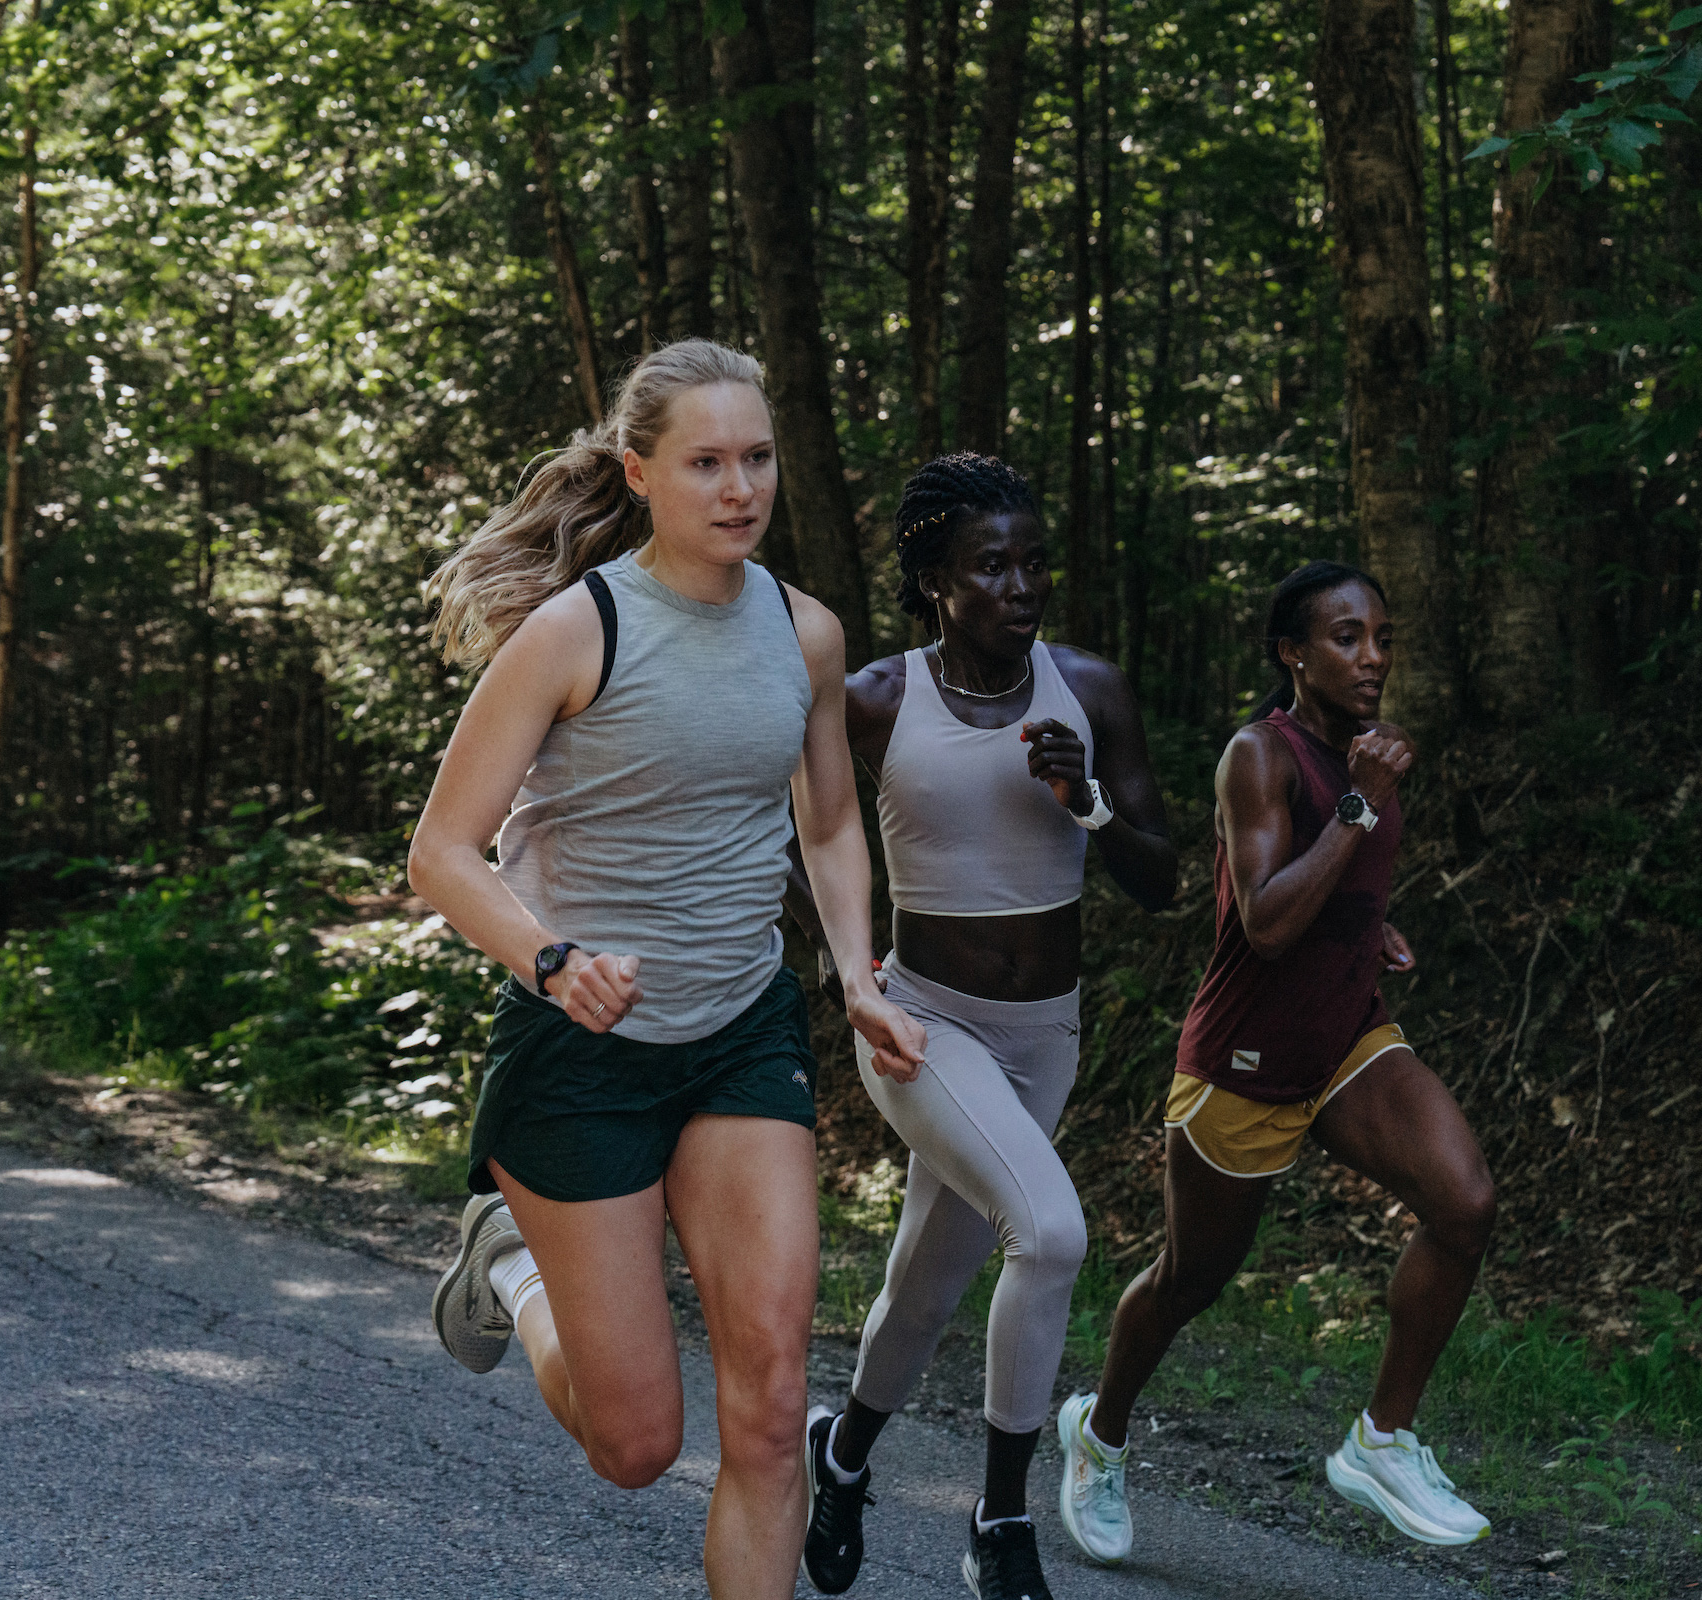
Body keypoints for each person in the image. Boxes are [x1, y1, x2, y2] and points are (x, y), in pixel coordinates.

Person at [406, 338, 926, 1600]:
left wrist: (857, 969)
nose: (740, 487)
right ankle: (508, 1265)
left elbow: (832, 818)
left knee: (769, 1405)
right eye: (706, 462)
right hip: (578, 1050)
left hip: (741, 1035)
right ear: (640, 473)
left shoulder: (804, 631)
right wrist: (550, 956)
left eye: (757, 459)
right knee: (637, 1446)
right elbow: (441, 850)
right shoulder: (571, 633)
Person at [1054, 560, 1498, 1561]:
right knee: (1189, 1278)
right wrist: (1359, 805)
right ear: (1293, 652)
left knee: (1465, 1203)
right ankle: (1100, 1430)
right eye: (1347, 638)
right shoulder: (1263, 754)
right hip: (1241, 1066)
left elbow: (1331, 891)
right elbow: (1260, 920)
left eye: (1383, 637)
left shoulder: (1371, 754)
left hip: (1345, 1038)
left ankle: (1382, 1440)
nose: (1373, 656)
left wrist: (1371, 929)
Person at [790, 453, 1176, 1600]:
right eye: (990, 566)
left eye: (1033, 561)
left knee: (928, 1277)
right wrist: (845, 967)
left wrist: (1091, 803)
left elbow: (1161, 882)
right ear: (935, 585)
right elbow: (796, 830)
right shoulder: (875, 698)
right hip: (919, 1023)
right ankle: (1002, 1518)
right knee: (1049, 1232)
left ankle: (842, 1455)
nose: (1022, 584)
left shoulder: (1090, 692)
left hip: (1040, 1033)